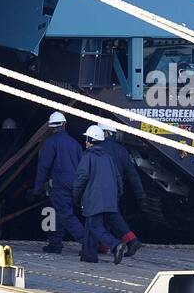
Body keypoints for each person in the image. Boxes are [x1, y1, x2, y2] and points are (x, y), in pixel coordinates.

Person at [72, 125, 126, 264]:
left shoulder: (87, 157)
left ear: (90, 140)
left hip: (94, 199)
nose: (85, 142)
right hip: (109, 199)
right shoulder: (108, 157)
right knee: (91, 226)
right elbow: (118, 177)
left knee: (95, 227)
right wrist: (118, 195)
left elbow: (81, 179)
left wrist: (76, 196)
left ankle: (115, 245)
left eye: (86, 139)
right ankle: (89, 256)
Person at [33, 111, 84, 253]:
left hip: (59, 185)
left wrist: (37, 188)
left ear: (50, 127)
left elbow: (43, 167)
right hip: (75, 185)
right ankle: (55, 243)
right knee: (57, 213)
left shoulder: (49, 143)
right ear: (64, 124)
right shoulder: (75, 144)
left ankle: (87, 242)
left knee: (65, 214)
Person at [98, 119, 144, 258]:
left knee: (102, 217)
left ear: (105, 133)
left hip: (100, 188)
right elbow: (132, 173)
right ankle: (104, 245)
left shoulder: (98, 148)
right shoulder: (122, 150)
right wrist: (140, 193)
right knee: (109, 216)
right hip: (116, 189)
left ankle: (130, 241)